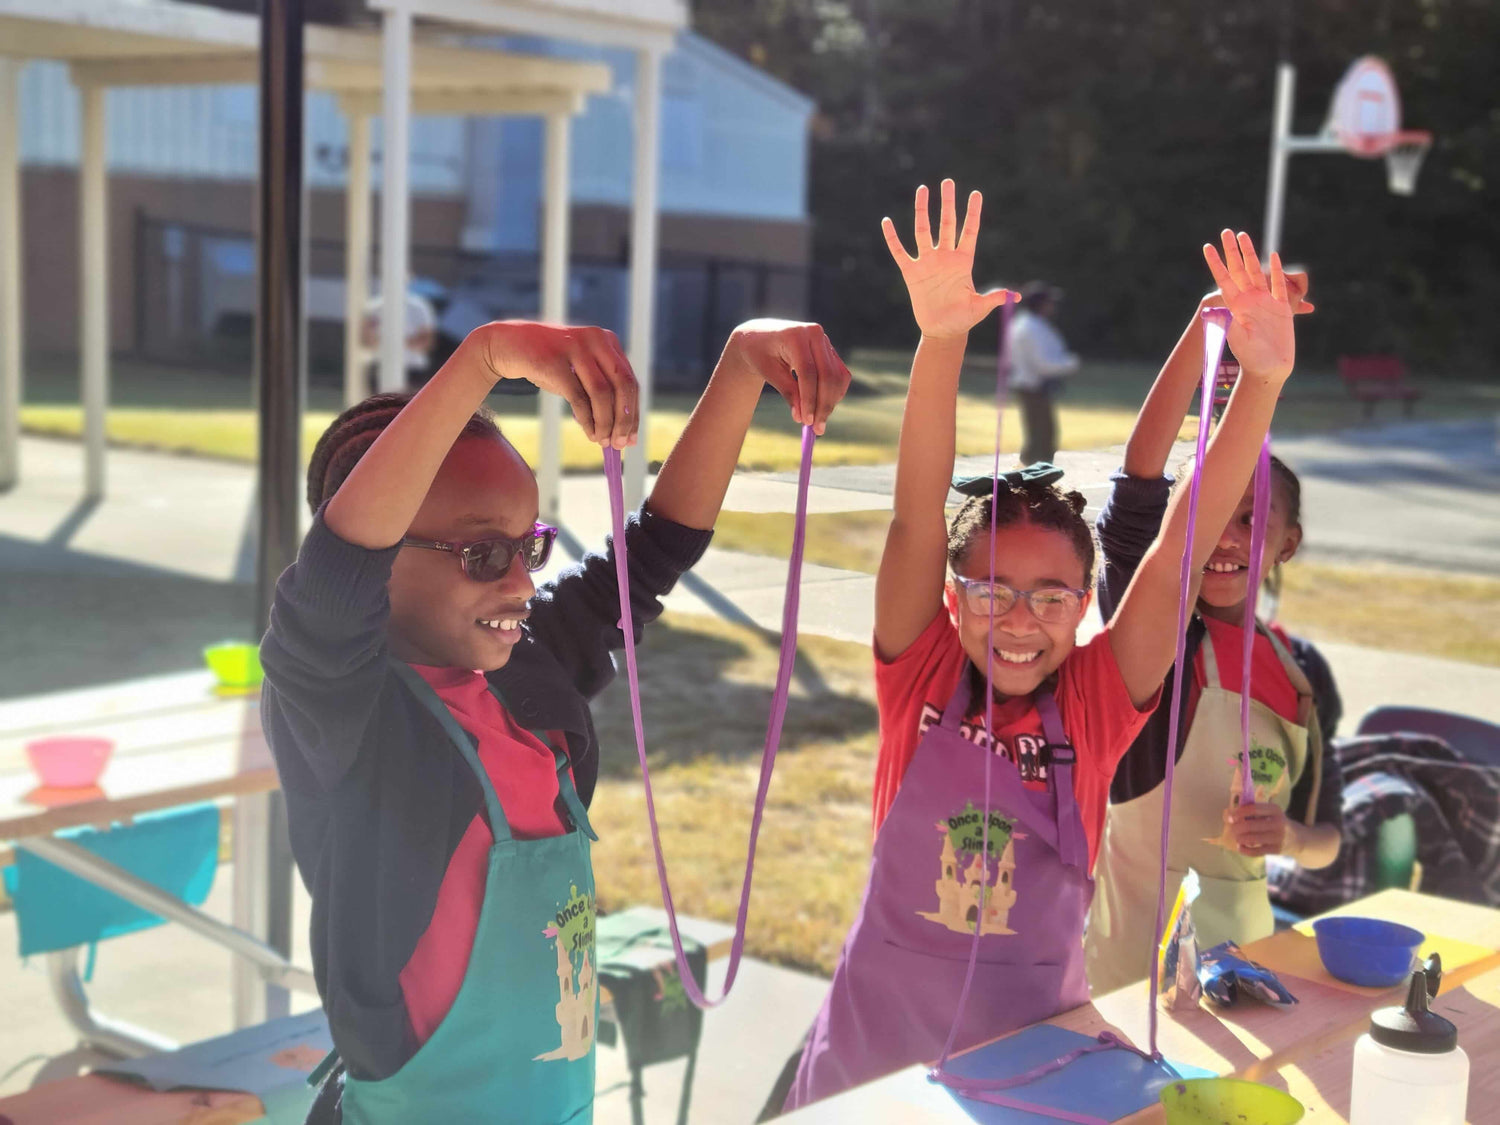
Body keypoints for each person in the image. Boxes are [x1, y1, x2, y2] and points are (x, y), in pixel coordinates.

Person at [778, 182, 1301, 1112]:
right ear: (951, 596)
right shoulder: (921, 667)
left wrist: (1261, 384)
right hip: (874, 1063)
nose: (1020, 619)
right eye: (991, 590)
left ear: (1082, 604)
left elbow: (1185, 538)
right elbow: (915, 511)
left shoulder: (1099, 696)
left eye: (1052, 595)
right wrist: (941, 342)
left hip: (1038, 1065)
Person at [260, 316, 851, 1124]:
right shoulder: (346, 715)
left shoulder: (527, 670)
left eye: (527, 546)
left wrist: (742, 363)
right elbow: (335, 571)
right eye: (480, 555)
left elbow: (657, 549)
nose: (519, 583)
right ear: (385, 551)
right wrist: (485, 358)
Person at [1085, 280, 1344, 996]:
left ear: (1286, 543)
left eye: (1250, 517)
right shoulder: (1153, 641)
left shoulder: (1303, 673)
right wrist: (1200, 333)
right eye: (1209, 515)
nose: (1226, 538)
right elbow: (1136, 489)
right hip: (1127, 983)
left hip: (1256, 971)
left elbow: (1328, 836)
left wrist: (1287, 838)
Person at [1008, 280, 1079, 465]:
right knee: (1041, 440)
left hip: (1034, 386)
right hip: (1033, 386)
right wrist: (1071, 364)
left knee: (1041, 436)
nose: (1053, 306)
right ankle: (1032, 480)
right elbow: (1043, 364)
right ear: (1040, 304)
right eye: (1049, 302)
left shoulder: (1031, 324)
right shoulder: (1031, 327)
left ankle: (1031, 477)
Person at [360, 287, 438, 393]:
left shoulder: (419, 306)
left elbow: (427, 341)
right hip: (380, 364)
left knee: (409, 407)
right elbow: (367, 340)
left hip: (411, 367)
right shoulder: (374, 307)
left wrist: (393, 342)